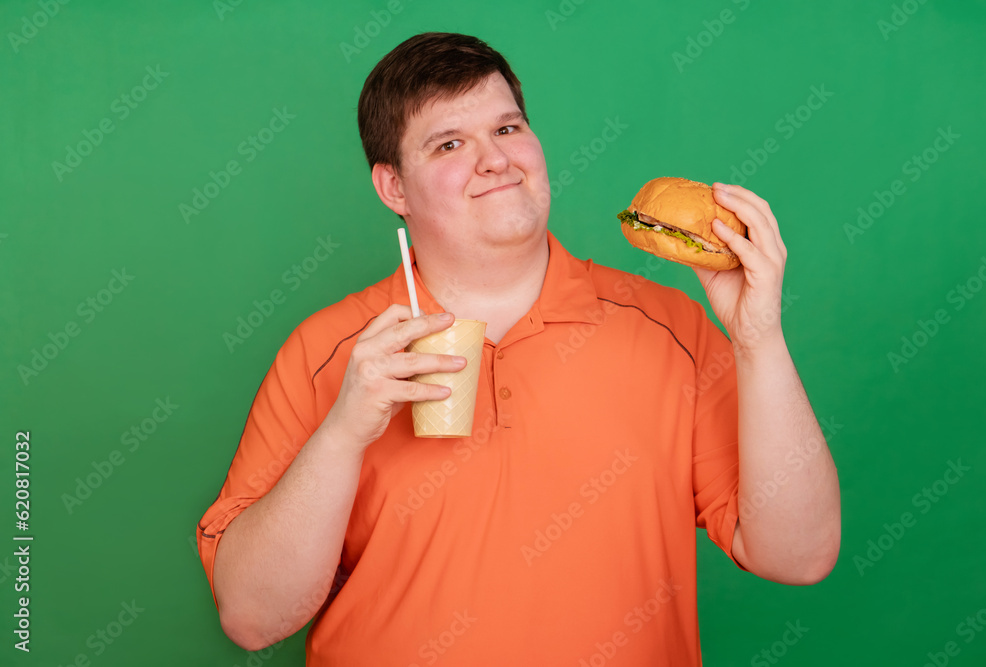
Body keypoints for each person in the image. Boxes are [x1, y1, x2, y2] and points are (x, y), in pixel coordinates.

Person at [196, 32, 840, 666]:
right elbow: (253, 619)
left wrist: (760, 341)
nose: (495, 159)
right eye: (450, 143)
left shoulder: (671, 326)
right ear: (393, 189)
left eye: (507, 129)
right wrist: (342, 433)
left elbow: (799, 555)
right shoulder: (327, 351)